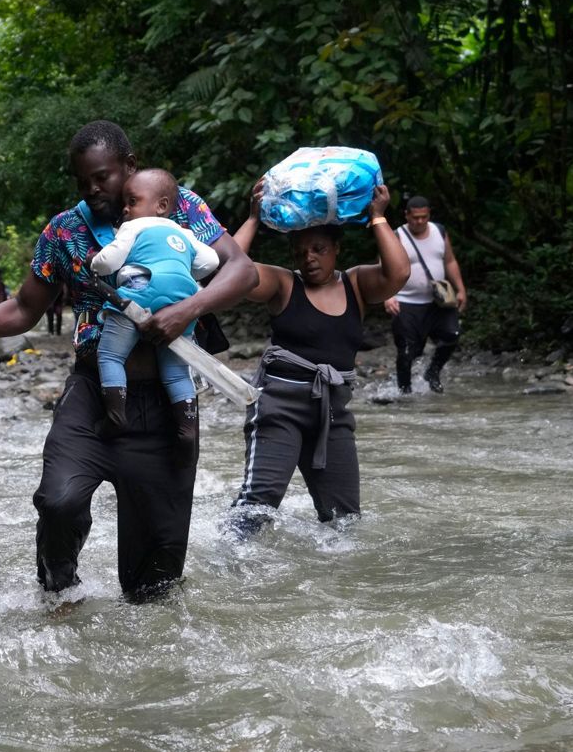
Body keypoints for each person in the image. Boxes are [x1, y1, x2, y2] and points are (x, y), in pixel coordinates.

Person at [0, 120, 256, 600]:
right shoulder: (65, 230)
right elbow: (22, 310)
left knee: (153, 585)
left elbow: (241, 271)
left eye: (103, 177)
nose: (93, 189)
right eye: (83, 181)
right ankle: (60, 593)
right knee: (58, 500)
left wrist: (188, 310)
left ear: (130, 166)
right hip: (93, 390)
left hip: (166, 402)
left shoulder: (177, 206)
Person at [228, 183, 409, 534]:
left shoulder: (356, 284)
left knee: (345, 519)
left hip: (332, 413)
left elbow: (398, 273)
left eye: (318, 249)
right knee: (257, 507)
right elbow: (231, 271)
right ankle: (228, 565)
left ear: (336, 250)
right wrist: (253, 217)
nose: (308, 257)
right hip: (278, 408)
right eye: (300, 252)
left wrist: (378, 217)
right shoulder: (283, 284)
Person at [90, 168, 220, 463]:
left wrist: (94, 263)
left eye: (132, 201)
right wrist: (184, 268)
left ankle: (115, 415)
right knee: (174, 371)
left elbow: (109, 262)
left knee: (111, 356)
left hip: (141, 290)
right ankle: (187, 428)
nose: (125, 208)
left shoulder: (133, 227)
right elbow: (211, 261)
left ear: (161, 206)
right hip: (182, 302)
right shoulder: (183, 232)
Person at [383, 195, 468, 393]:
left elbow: (450, 261)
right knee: (407, 351)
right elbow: (383, 268)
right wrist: (388, 296)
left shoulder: (439, 231)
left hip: (437, 301)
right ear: (407, 215)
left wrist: (461, 289)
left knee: (452, 335)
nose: (420, 221)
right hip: (406, 302)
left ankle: (433, 372)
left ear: (429, 214)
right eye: (415, 218)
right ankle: (404, 391)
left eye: (424, 217)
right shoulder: (397, 236)